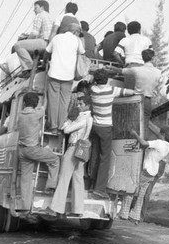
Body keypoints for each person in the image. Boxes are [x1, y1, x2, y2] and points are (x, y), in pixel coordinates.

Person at [90, 68, 138, 199]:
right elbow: (130, 92)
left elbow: (91, 82)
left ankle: (90, 183)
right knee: (105, 158)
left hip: (94, 127)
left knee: (94, 155)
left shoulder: (93, 90)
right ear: (106, 80)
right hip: (105, 128)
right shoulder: (111, 90)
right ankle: (99, 189)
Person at [46, 94, 93, 216]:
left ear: (87, 106)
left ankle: (56, 208)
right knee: (78, 179)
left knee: (64, 177)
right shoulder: (90, 118)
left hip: (73, 148)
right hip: (82, 150)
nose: (78, 106)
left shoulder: (82, 118)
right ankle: (77, 210)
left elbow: (65, 129)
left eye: (81, 104)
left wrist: (68, 120)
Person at [119, 126, 169, 224]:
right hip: (152, 172)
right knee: (141, 194)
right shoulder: (167, 146)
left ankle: (124, 213)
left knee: (131, 189)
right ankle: (135, 216)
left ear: (163, 135)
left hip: (146, 170)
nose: (158, 134)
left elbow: (144, 143)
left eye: (160, 133)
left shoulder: (159, 143)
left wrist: (135, 134)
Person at [18, 92, 59, 211]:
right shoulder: (36, 113)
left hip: (21, 150)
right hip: (33, 149)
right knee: (55, 160)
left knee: (25, 180)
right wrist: (46, 95)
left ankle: (25, 207)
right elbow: (44, 106)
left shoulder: (20, 115)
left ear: (24, 103)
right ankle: (50, 186)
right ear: (35, 104)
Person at [44, 22, 85, 134]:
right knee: (64, 101)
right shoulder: (77, 40)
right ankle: (61, 126)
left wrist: (45, 62)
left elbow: (46, 52)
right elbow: (82, 52)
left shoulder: (57, 38)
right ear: (75, 32)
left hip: (54, 73)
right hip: (68, 75)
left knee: (53, 100)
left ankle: (53, 127)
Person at [122, 48, 161, 130]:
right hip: (147, 99)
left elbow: (121, 71)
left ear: (142, 58)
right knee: (144, 124)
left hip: (136, 98)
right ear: (153, 58)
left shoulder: (137, 70)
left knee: (133, 122)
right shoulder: (158, 72)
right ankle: (143, 140)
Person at [11, 0, 53, 74]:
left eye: (36, 8)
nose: (34, 10)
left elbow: (34, 33)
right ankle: (36, 64)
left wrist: (26, 40)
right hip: (51, 44)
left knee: (18, 45)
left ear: (42, 7)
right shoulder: (51, 17)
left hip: (44, 42)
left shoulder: (40, 15)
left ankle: (28, 67)